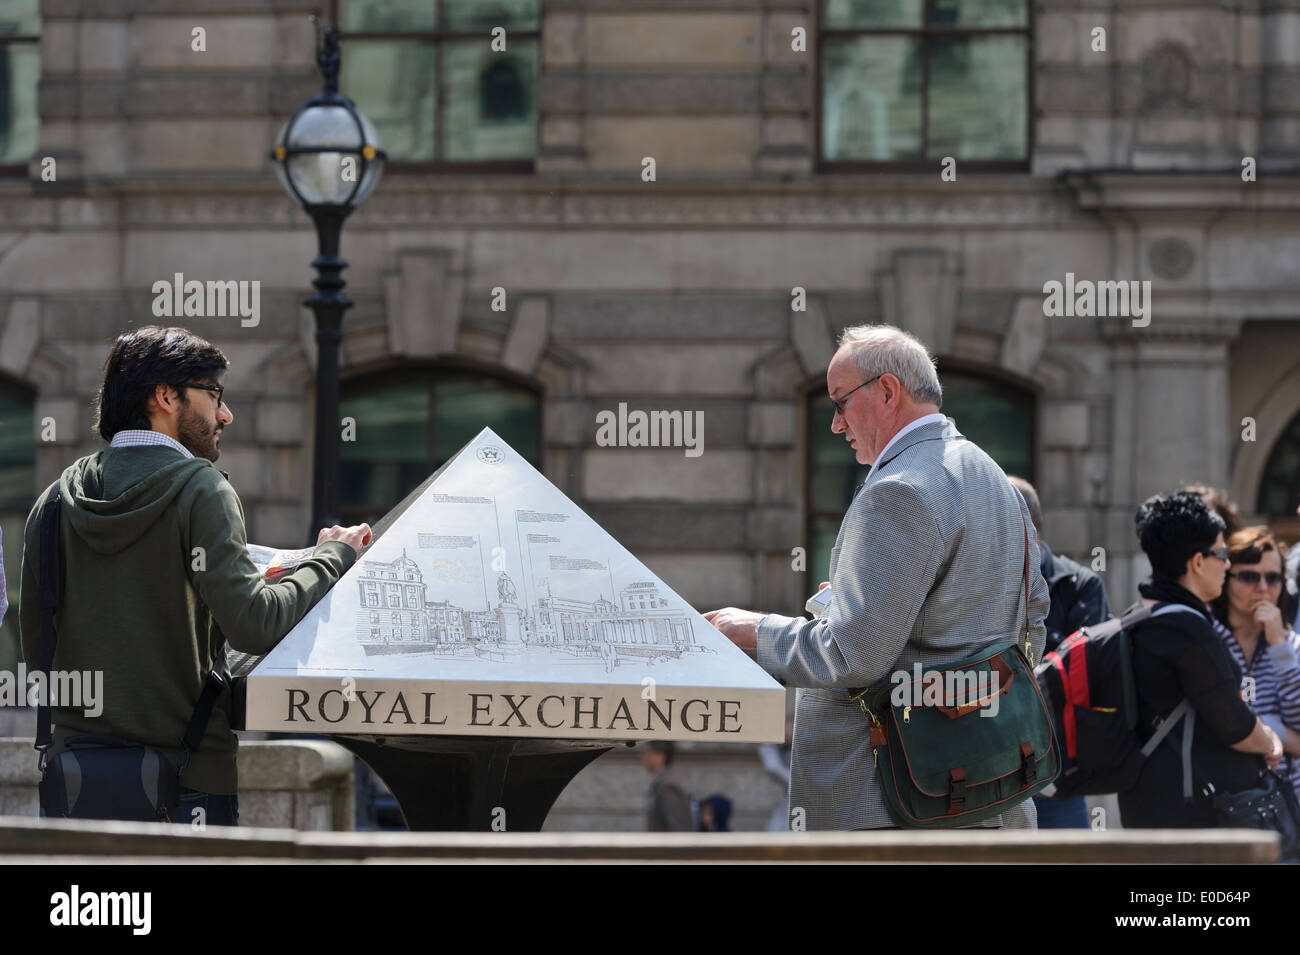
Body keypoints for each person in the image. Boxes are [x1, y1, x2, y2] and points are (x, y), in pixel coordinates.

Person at [19, 326, 370, 826]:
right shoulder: (201, 490)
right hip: (188, 783)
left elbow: (38, 650)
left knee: (106, 908)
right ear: (165, 396)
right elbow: (253, 622)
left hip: (78, 781)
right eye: (213, 395)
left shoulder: (54, 501)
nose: (225, 414)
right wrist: (331, 557)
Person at [705, 324, 1048, 830]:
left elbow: (852, 655)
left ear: (888, 392)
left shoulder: (900, 488)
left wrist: (755, 630)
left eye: (840, 403)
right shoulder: (994, 479)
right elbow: (1032, 622)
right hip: (992, 794)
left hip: (898, 806)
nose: (836, 425)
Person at [1120, 492, 1283, 828]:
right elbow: (1234, 723)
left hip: (1143, 804)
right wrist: (1269, 739)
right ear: (1196, 562)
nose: (1227, 564)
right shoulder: (1187, 629)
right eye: (1221, 554)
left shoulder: (1137, 616)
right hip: (1189, 816)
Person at [1009, 476, 1110, 829]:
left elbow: (1087, 677)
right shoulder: (983, 581)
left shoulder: (1080, 585)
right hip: (992, 767)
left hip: (1054, 774)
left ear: (1025, 529)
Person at [1209, 526, 1300, 796]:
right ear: (1227, 579)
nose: (1262, 588)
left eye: (1273, 578)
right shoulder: (1207, 639)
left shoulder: (1291, 645)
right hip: (1221, 799)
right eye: (1249, 577)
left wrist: (1278, 648)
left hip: (1285, 804)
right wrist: (1270, 728)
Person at [640, 741, 694, 831]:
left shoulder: (668, 787)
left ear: (661, 756)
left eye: (648, 752)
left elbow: (679, 829)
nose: (643, 757)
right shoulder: (661, 784)